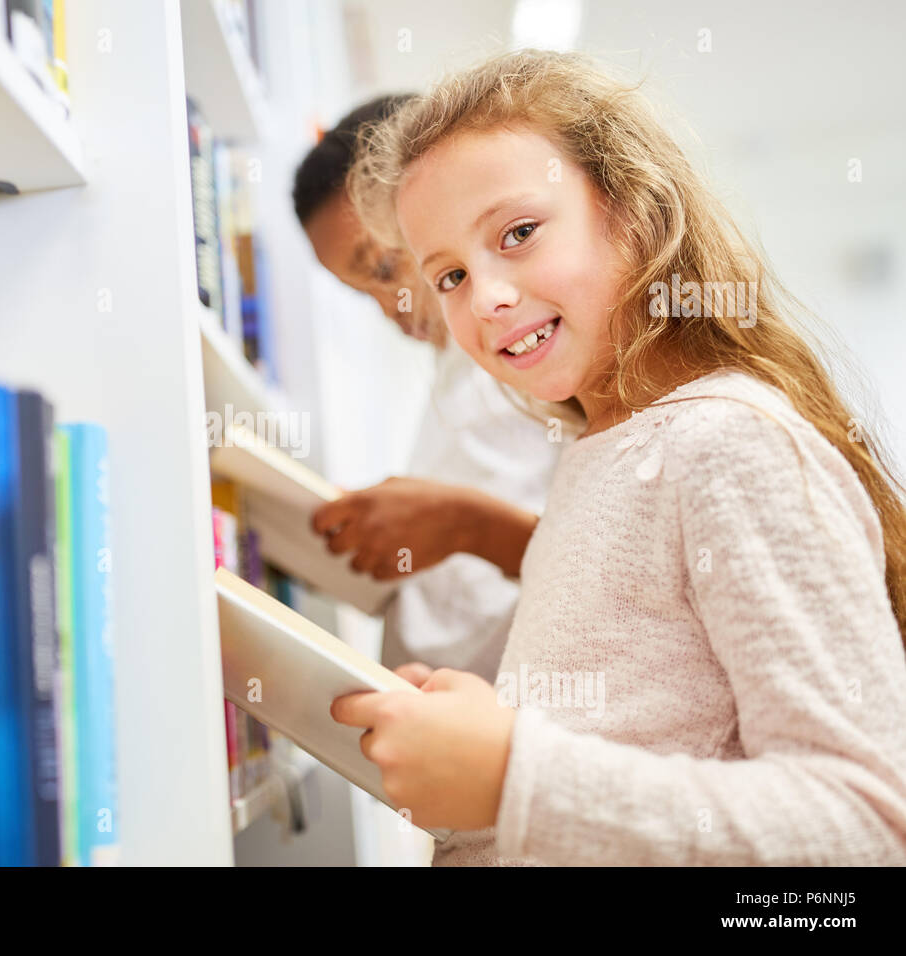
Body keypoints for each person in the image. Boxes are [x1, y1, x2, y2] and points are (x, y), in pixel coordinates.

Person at [331, 48, 906, 866]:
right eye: (450, 275)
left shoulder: (728, 444)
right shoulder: (599, 450)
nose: (487, 296)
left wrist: (511, 776)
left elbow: (865, 827)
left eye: (519, 233)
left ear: (634, 210)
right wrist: (485, 738)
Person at [293, 96, 568, 682]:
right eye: (360, 290)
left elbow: (618, 575)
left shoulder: (548, 354)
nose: (387, 309)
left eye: (386, 270)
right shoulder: (452, 373)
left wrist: (462, 524)